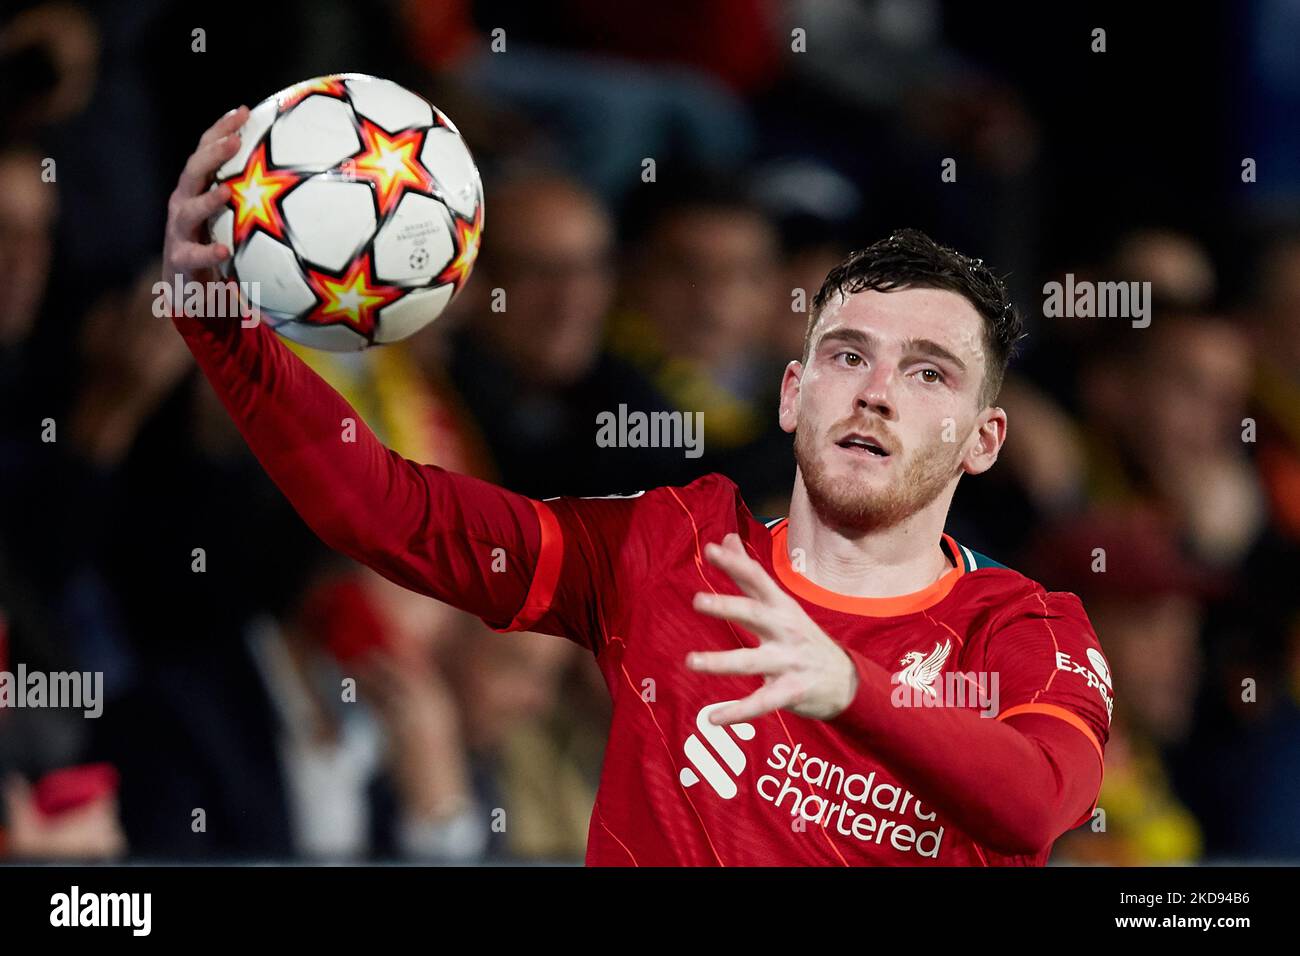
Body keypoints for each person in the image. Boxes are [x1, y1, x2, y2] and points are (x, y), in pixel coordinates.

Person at [160, 106, 1112, 866]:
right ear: (791, 393)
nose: (875, 392)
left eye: (928, 372)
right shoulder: (668, 552)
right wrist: (222, 327)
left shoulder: (1025, 627)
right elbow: (389, 511)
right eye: (849, 354)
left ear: (983, 440)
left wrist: (846, 686)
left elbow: (1033, 803)